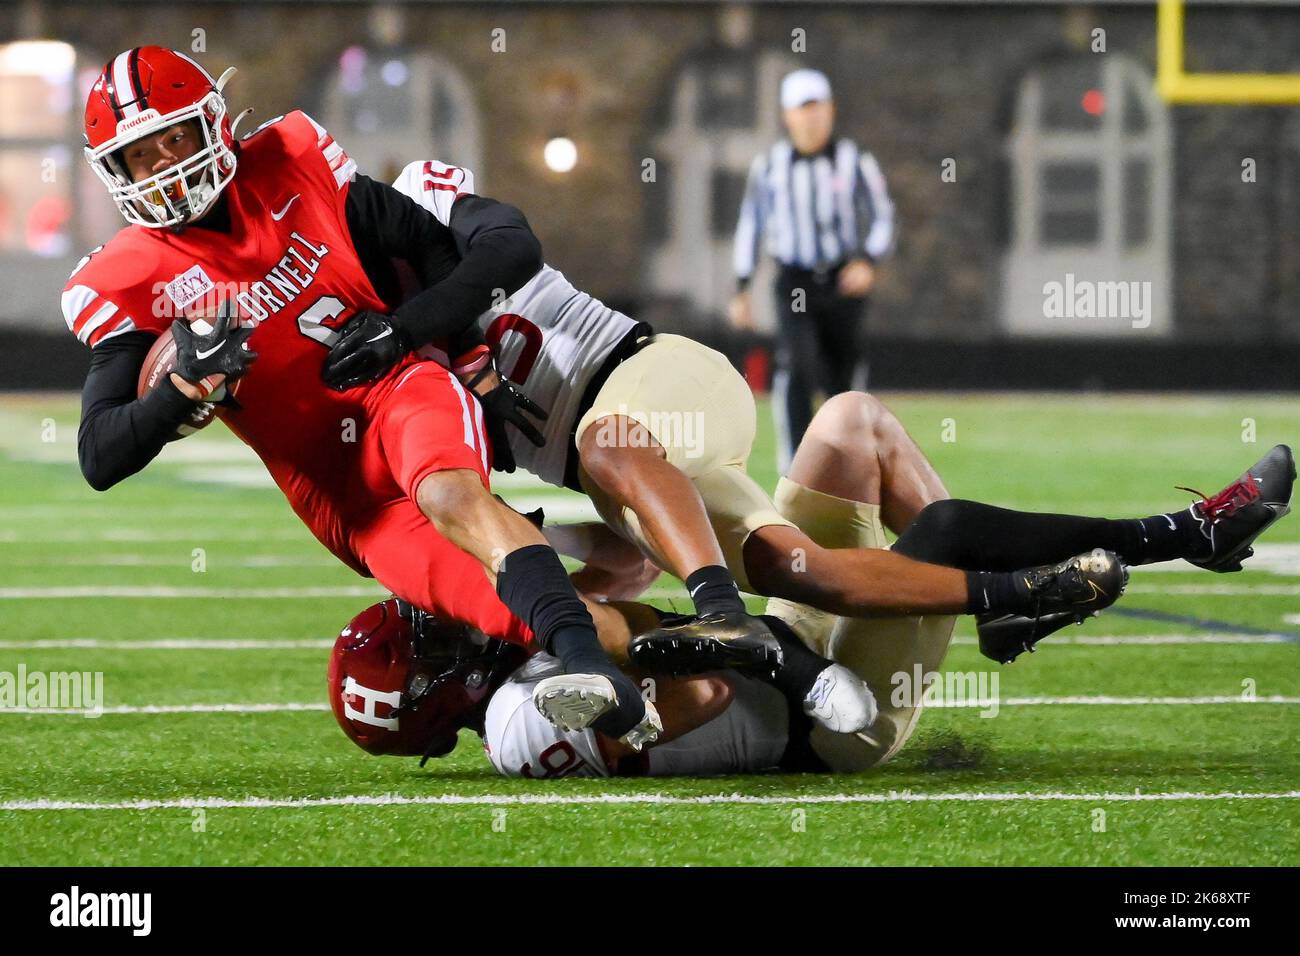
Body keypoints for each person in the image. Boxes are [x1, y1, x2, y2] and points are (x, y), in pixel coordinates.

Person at [64, 46, 660, 749]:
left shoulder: (292, 157)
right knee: (516, 612)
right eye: (141, 155)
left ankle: (588, 666)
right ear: (116, 171)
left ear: (213, 125)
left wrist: (468, 359)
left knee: (451, 498)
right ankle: (751, 655)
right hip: (345, 499)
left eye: (173, 138)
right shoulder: (127, 277)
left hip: (397, 391)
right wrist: (181, 393)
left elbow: (429, 241)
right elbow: (100, 455)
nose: (164, 163)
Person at [328, 392, 1294, 776]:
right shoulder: (517, 722)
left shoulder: (528, 653)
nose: (444, 615)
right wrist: (751, 648)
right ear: (436, 696)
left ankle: (994, 612)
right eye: (433, 640)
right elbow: (701, 688)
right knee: (952, 536)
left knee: (850, 422)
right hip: (830, 722)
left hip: (780, 646)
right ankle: (1185, 533)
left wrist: (556, 534)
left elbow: (624, 565)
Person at [729, 68, 895, 471]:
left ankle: (848, 465)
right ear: (787, 116)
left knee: (843, 377)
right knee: (798, 364)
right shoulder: (769, 167)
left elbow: (882, 216)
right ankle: (797, 467)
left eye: (817, 106)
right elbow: (752, 224)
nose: (811, 116)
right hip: (795, 280)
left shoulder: (855, 160)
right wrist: (743, 285)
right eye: (802, 108)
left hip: (842, 278)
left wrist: (868, 261)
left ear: (831, 109)